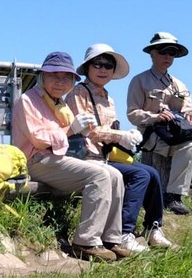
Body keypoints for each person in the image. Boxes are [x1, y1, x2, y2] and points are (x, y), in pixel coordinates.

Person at [11, 51, 130, 262]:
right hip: (34, 160)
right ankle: (85, 242)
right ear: (42, 77)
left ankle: (111, 238)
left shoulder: (59, 104)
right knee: (99, 175)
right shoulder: (28, 100)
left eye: (66, 77)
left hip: (55, 159)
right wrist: (70, 130)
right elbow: (39, 140)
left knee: (114, 174)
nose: (60, 81)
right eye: (54, 75)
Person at [67, 44, 174, 250]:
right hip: (87, 157)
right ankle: (124, 232)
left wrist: (124, 137)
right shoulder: (78, 93)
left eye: (108, 66)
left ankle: (153, 227)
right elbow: (88, 131)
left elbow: (110, 128)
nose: (103, 69)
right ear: (88, 67)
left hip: (106, 157)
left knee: (151, 173)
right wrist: (121, 135)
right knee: (139, 175)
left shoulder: (108, 98)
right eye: (97, 64)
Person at [125, 32, 192, 215]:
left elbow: (189, 108)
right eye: (163, 51)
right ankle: (174, 196)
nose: (167, 56)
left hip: (178, 134)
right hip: (153, 137)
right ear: (152, 53)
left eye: (171, 53)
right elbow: (132, 114)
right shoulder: (139, 81)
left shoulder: (179, 84)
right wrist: (155, 117)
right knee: (189, 147)